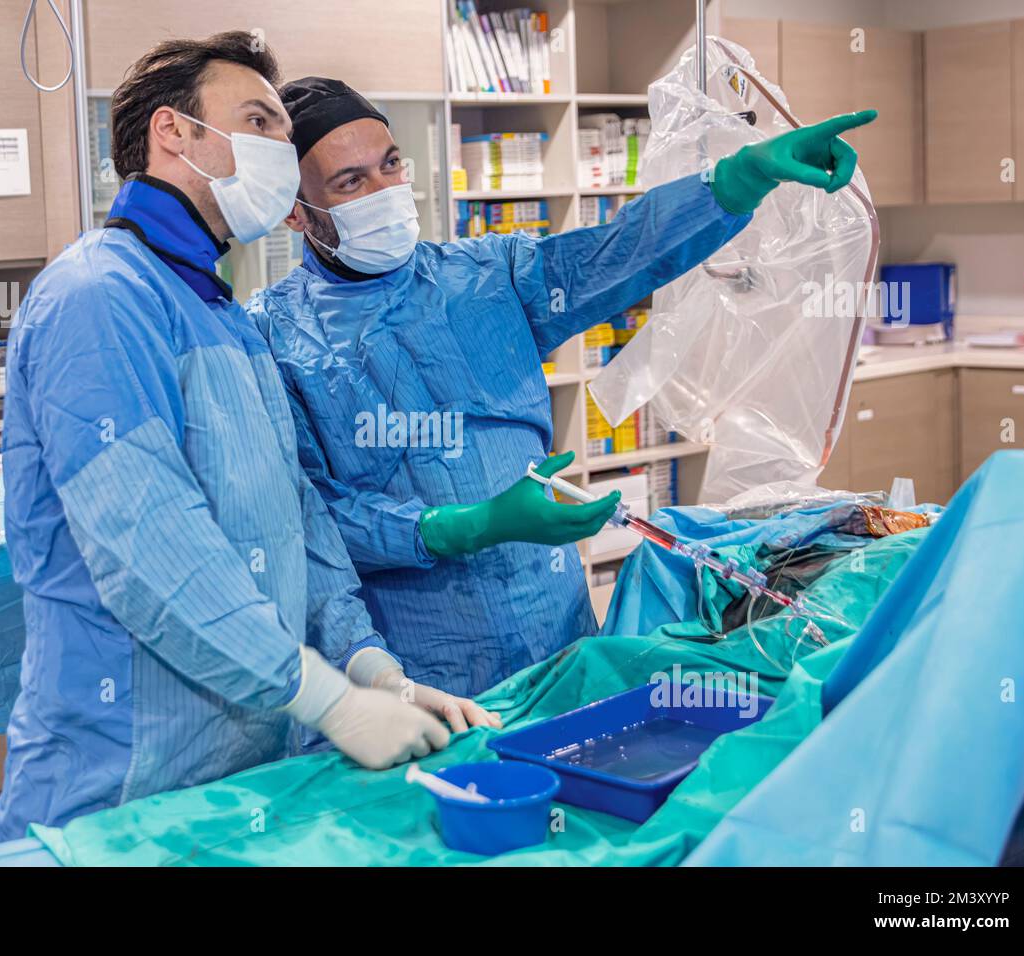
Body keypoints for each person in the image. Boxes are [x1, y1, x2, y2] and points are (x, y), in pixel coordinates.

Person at [0, 38, 496, 841]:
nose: (281, 149)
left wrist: (372, 669)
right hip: (123, 777)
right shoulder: (99, 299)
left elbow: (294, 516)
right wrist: (326, 699)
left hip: (242, 766)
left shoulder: (223, 313)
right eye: (259, 120)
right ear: (174, 133)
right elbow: (153, 548)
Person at [248, 76, 875, 698]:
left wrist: (738, 179)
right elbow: (306, 519)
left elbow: (617, 252)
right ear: (297, 212)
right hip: (419, 667)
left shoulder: (487, 279)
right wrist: (459, 526)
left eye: (390, 166)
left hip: (554, 628)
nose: (385, 192)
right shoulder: (273, 341)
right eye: (351, 183)